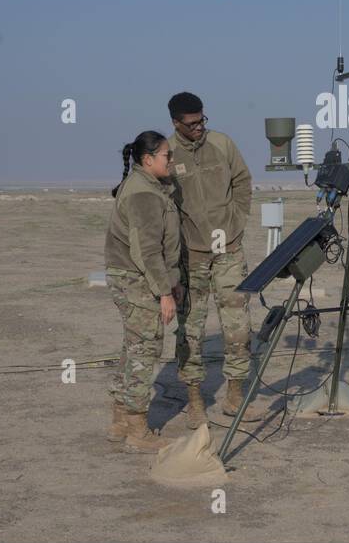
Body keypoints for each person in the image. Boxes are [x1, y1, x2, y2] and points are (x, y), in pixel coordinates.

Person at [166, 91, 261, 426]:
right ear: (176, 123)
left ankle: (235, 397)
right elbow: (162, 204)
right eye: (191, 124)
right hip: (189, 257)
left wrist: (235, 225)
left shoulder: (222, 144)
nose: (198, 129)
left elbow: (243, 183)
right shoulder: (167, 153)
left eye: (202, 121)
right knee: (189, 331)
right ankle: (194, 401)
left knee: (237, 327)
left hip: (228, 251)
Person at [104, 131, 187, 451]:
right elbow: (147, 251)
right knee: (145, 349)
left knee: (133, 346)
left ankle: (120, 421)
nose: (172, 161)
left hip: (134, 277)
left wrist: (173, 280)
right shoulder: (143, 193)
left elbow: (162, 246)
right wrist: (164, 293)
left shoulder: (150, 186)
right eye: (167, 156)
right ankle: (137, 432)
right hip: (136, 279)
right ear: (148, 160)